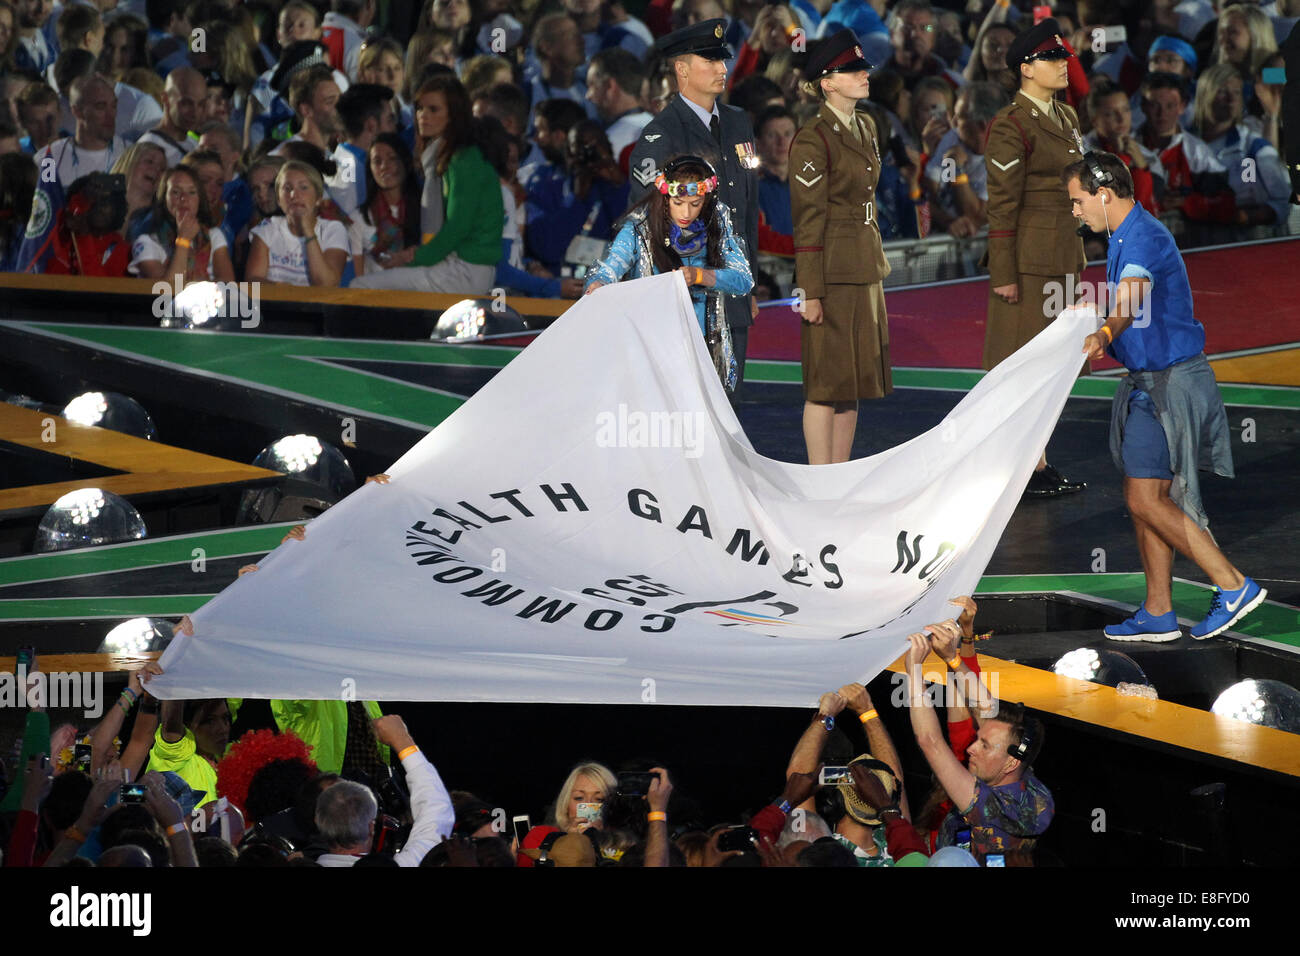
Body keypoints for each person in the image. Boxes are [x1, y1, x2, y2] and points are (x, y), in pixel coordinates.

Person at [1066, 152, 1266, 642]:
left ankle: (1233, 585)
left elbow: (1131, 300)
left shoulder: (1144, 237)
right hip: (1155, 385)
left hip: (1170, 387)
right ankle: (1158, 611)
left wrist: (1106, 332)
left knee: (1144, 497)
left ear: (1104, 194)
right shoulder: (1125, 234)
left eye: (1077, 201)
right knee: (1147, 497)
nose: (1074, 211)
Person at [981, 17, 1086, 498]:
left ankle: (1037, 462)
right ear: (1026, 68)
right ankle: (1013, 469)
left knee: (1051, 368)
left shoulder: (1065, 117)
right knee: (1019, 367)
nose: (1063, 64)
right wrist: (1003, 272)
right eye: (1052, 58)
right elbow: (1001, 204)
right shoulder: (1011, 126)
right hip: (1026, 261)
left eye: (1063, 56)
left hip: (1063, 254)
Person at [629, 18, 760, 394]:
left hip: (730, 289)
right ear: (681, 70)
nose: (722, 69)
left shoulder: (738, 123)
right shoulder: (661, 136)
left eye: (723, 60)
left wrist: (748, 283)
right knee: (687, 409)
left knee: (729, 406)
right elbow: (645, 225)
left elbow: (747, 210)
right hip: (685, 299)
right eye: (710, 61)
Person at [789, 30, 891, 466]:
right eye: (852, 69)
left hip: (865, 262)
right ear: (827, 82)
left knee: (853, 383)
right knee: (825, 382)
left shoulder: (865, 126)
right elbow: (808, 220)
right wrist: (809, 291)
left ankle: (840, 475)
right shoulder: (814, 139)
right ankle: (819, 478)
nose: (863, 73)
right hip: (832, 270)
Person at [584, 153, 752, 392]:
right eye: (678, 203)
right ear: (664, 198)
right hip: (651, 342)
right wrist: (599, 281)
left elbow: (743, 279)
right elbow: (613, 264)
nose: (686, 213)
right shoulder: (640, 228)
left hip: (701, 344)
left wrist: (700, 276)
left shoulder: (718, 222)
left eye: (695, 204)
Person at [904, 621, 1053, 864]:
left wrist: (914, 671)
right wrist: (953, 658)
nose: (971, 747)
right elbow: (985, 707)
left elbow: (930, 740)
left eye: (984, 745)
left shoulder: (993, 807)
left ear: (1010, 763)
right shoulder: (1021, 776)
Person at [349, 74, 502, 292]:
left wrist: (411, 259)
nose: (423, 116)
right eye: (420, 109)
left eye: (433, 109)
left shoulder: (464, 159)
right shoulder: (449, 158)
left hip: (465, 270)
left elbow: (457, 229)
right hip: (458, 266)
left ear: (454, 114)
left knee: (360, 287)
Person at [245, 158, 349, 286]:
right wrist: (279, 289)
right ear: (278, 199)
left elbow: (326, 284)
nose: (294, 194)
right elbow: (252, 282)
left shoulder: (333, 230)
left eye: (303, 187)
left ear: (318, 198)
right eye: (287, 188)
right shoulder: (267, 229)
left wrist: (308, 231)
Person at [128, 163, 236, 283]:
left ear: (200, 199)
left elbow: (227, 282)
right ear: (164, 197)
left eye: (191, 192)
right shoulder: (147, 242)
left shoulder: (213, 235)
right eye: (176, 192)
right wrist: (183, 240)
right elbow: (167, 288)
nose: (184, 198)